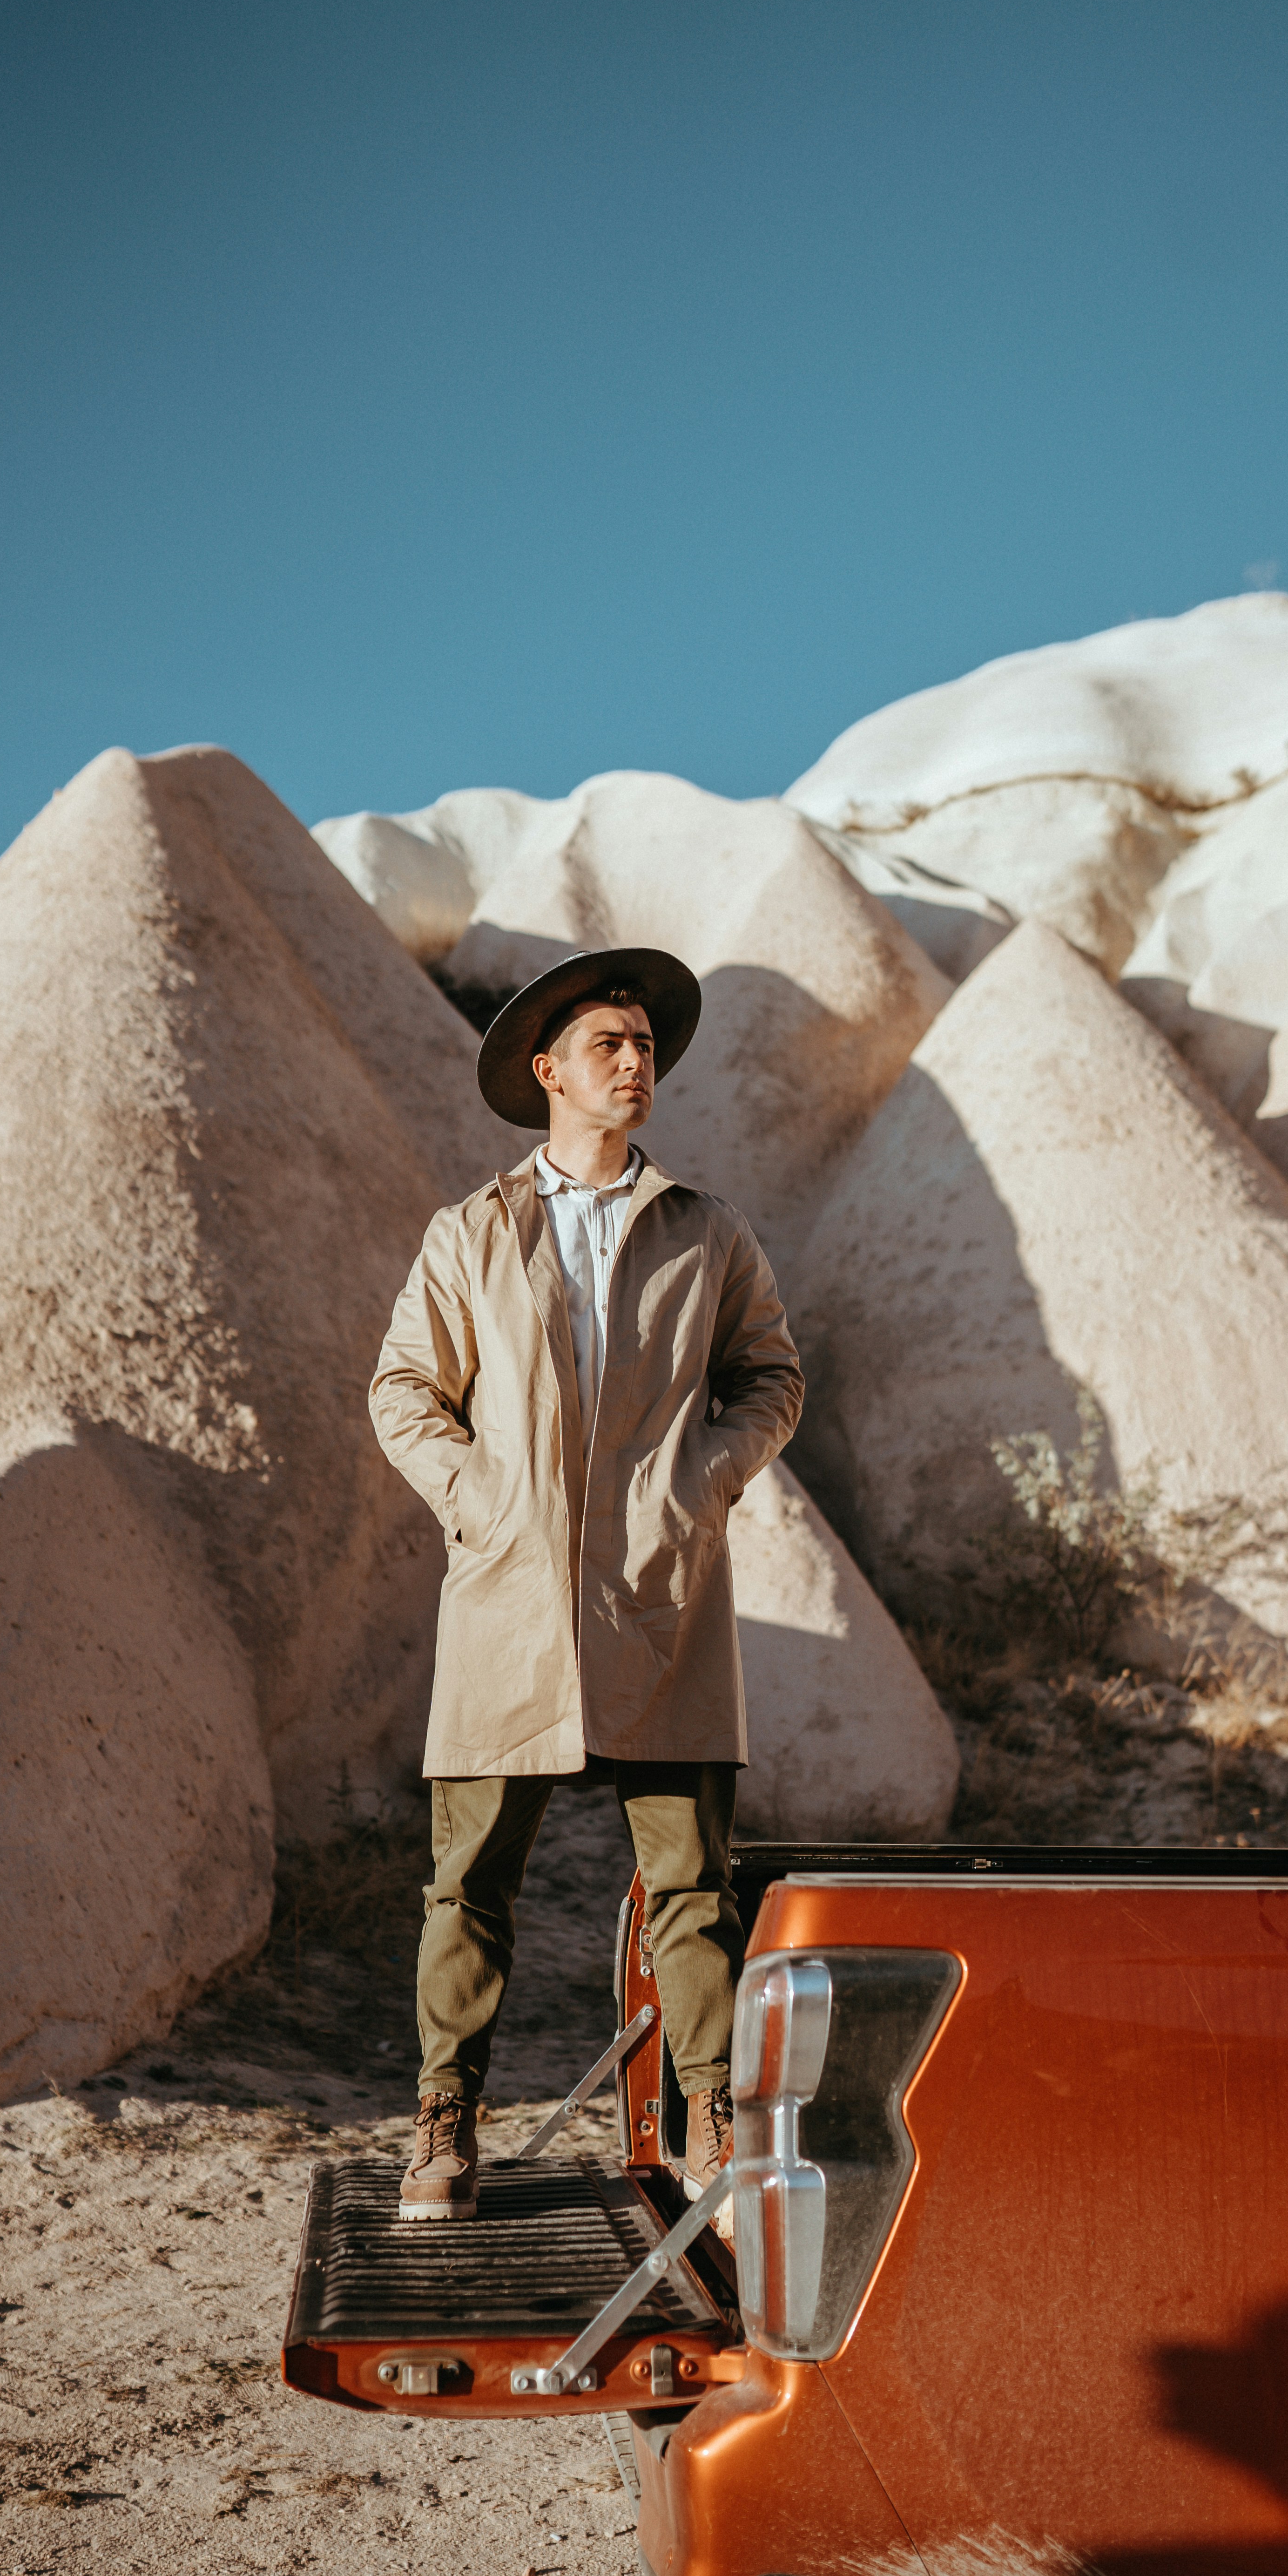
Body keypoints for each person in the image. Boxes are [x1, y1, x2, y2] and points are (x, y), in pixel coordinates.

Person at [369, 945, 804, 2227]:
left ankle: (714, 2124)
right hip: (507, 1600)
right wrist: (481, 1501)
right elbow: (404, 1391)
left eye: (647, 1047)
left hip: (663, 1595)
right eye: (611, 1044)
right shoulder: (473, 1233)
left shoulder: (704, 1232)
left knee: (689, 1888)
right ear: (548, 1072)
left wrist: (702, 1484)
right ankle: (444, 2131)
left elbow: (772, 1379)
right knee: (470, 1885)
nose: (637, 1063)